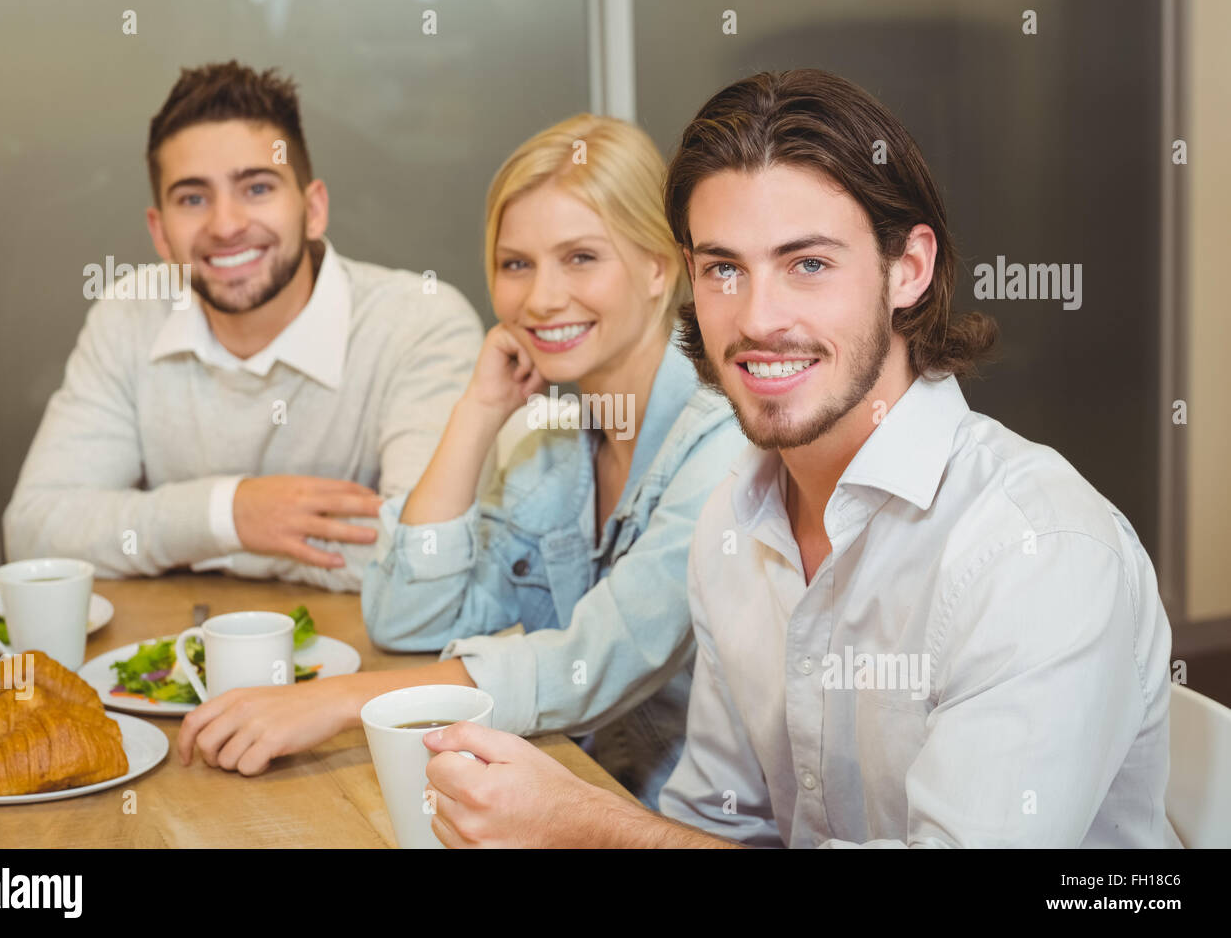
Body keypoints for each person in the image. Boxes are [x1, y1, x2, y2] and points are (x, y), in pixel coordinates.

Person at [410, 69, 1181, 848]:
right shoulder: (735, 519)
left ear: (909, 269)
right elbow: (718, 823)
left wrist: (591, 826)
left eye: (808, 264)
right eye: (724, 269)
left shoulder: (1035, 551)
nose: (758, 318)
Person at [176, 113, 747, 809]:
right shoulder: (554, 444)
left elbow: (600, 658)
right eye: (516, 265)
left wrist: (343, 701)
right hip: (581, 791)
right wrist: (477, 413)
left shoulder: (725, 437)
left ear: (659, 267)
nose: (541, 299)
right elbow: (407, 619)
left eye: (580, 258)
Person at [3, 62, 483, 592]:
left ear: (313, 209)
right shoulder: (128, 315)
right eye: (193, 198)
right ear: (160, 235)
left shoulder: (421, 325)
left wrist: (207, 540)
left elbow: (425, 561)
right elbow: (36, 534)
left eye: (256, 188)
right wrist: (230, 514)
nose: (226, 225)